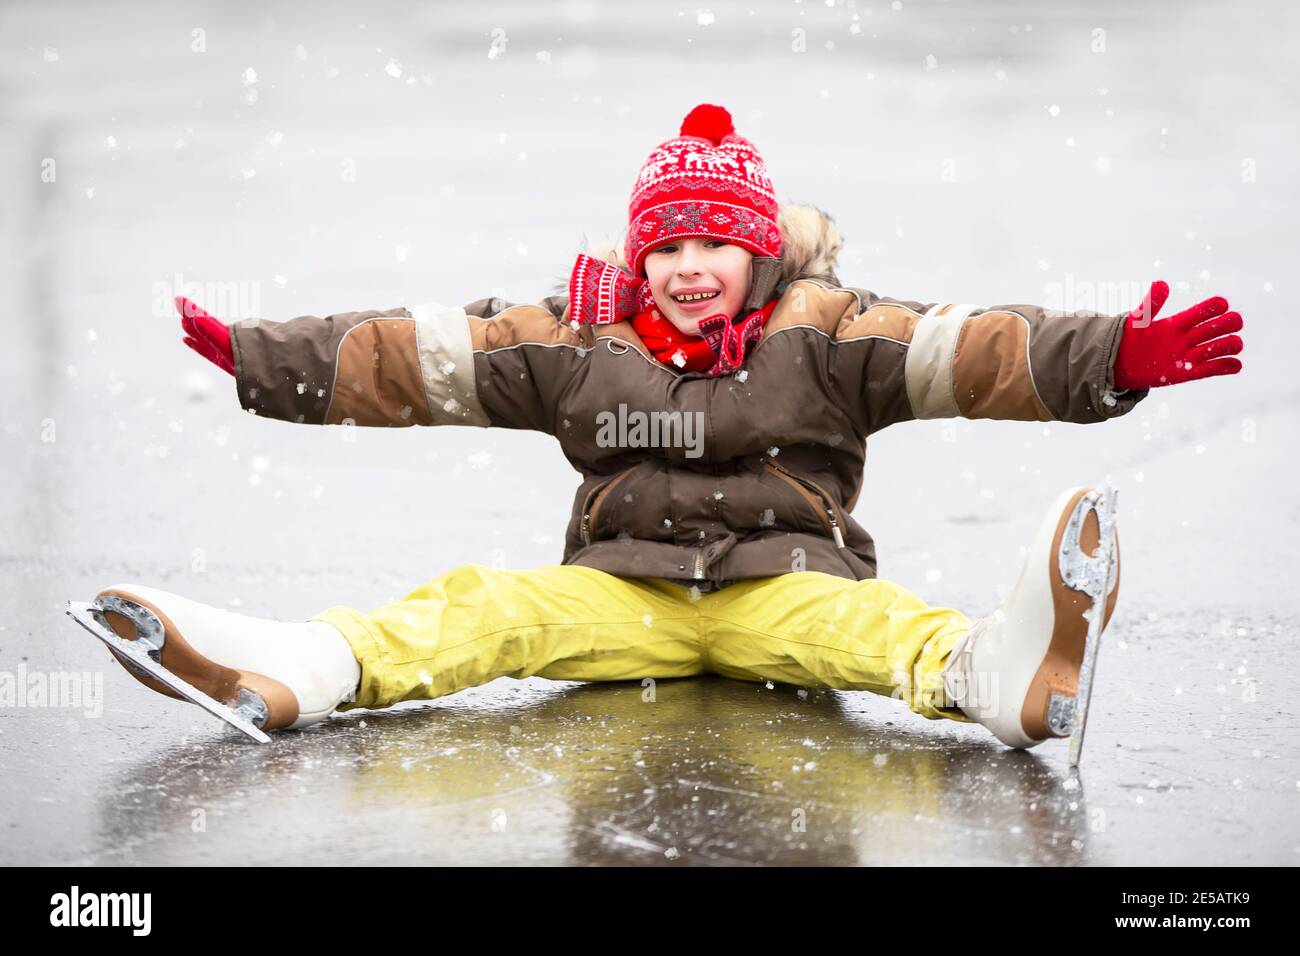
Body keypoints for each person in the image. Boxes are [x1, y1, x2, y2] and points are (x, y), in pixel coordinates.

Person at [87, 103, 1245, 752]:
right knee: (480, 607)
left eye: (714, 244)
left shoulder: (827, 332)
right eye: (668, 247)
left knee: (869, 629)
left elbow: (965, 347)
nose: (691, 266)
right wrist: (264, 355)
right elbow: (422, 354)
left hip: (782, 581)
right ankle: (299, 665)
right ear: (643, 254)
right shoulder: (580, 338)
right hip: (620, 589)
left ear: (758, 251)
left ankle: (1001, 670)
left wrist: (1113, 358)